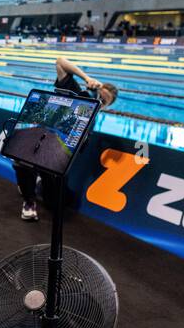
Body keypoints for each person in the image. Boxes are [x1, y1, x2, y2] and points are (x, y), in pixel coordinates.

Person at [16, 56, 117, 221]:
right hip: (40, 139)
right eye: (99, 95)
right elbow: (61, 61)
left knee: (56, 203)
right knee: (23, 158)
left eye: (104, 101)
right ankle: (29, 200)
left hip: (56, 158)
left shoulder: (92, 121)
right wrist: (87, 78)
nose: (99, 100)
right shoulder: (78, 94)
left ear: (106, 107)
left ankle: (34, 182)